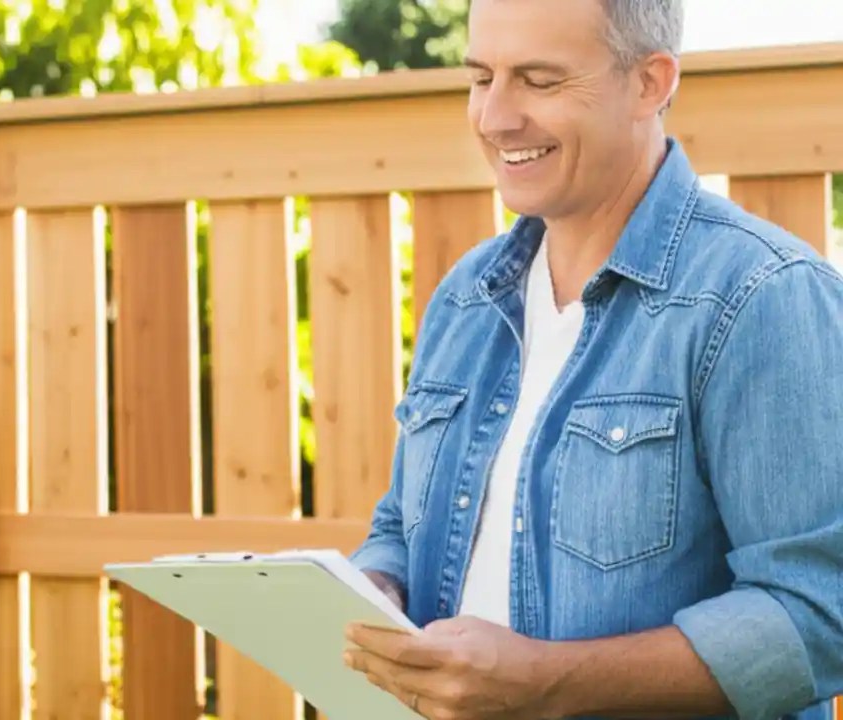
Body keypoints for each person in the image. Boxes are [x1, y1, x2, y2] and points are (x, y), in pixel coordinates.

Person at [341, 0, 843, 718]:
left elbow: (821, 614)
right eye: (482, 78)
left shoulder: (763, 298)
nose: (494, 117)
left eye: (538, 81)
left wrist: (546, 682)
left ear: (650, 82)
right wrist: (378, 589)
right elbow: (400, 523)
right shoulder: (466, 300)